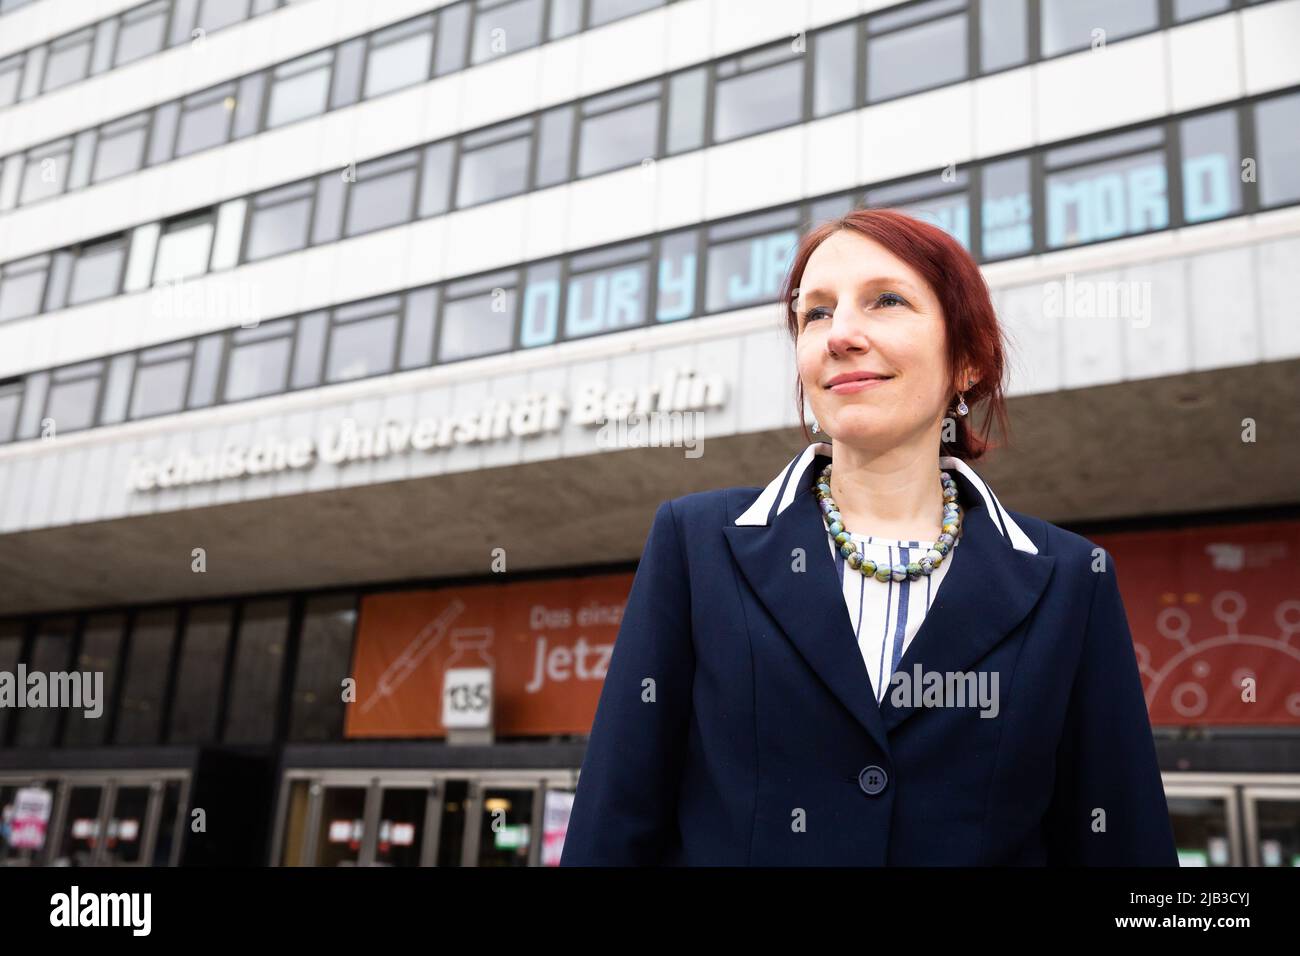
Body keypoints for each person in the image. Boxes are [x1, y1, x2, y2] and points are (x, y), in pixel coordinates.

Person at [559, 209, 1178, 866]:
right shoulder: (695, 543)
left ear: (967, 360)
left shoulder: (1071, 577)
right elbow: (615, 820)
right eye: (815, 313)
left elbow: (1121, 838)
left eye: (885, 300)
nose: (840, 335)